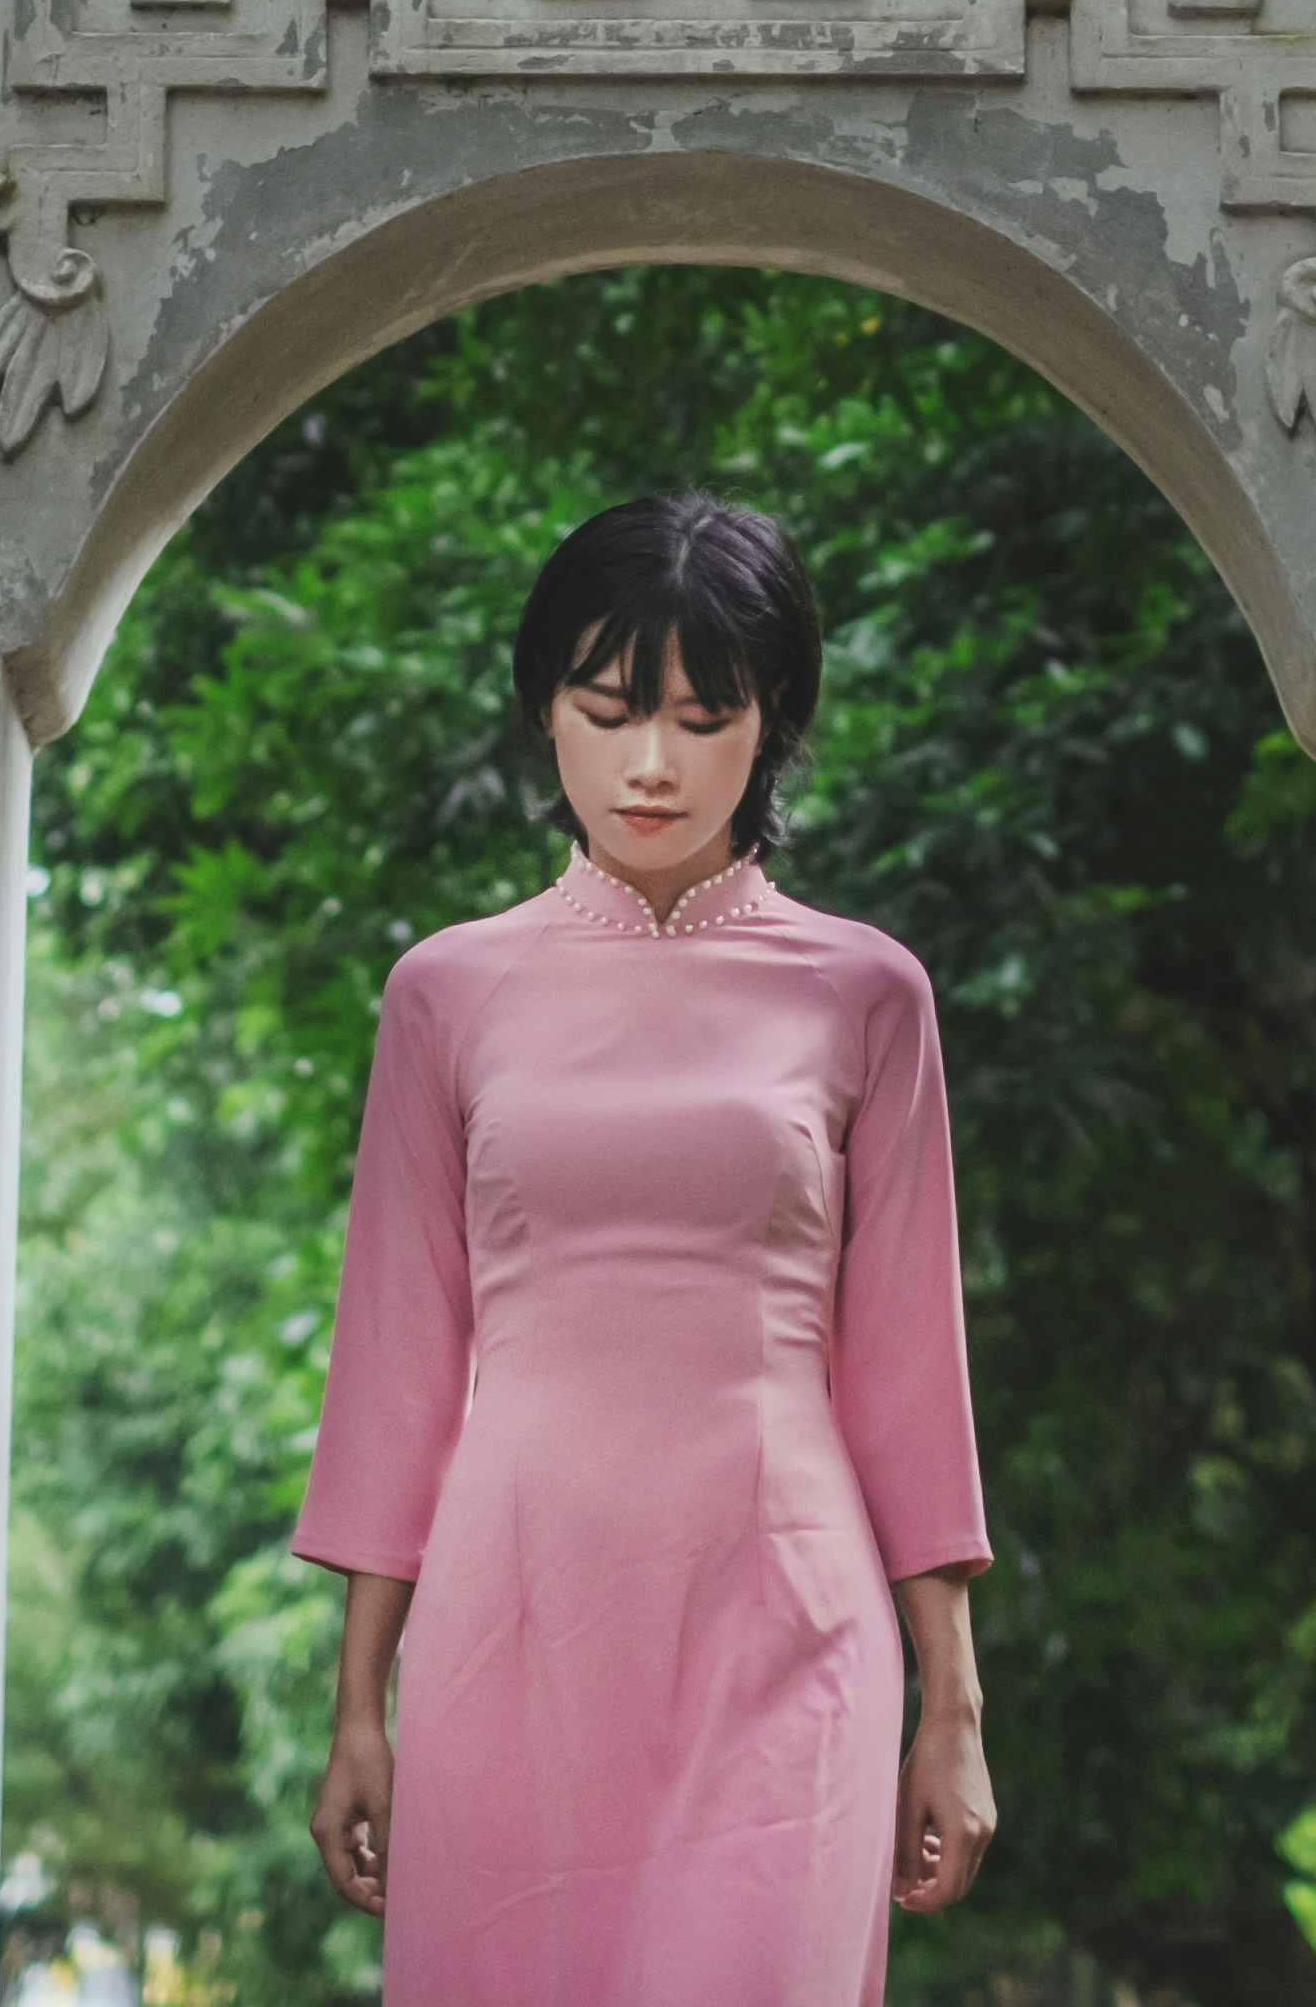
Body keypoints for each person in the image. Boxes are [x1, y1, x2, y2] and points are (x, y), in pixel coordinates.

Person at [294, 490, 1000, 2005]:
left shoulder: (867, 996)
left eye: (703, 713)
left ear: (778, 721)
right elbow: (395, 1375)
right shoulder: (445, 994)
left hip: (789, 1628)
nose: (654, 763)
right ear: (543, 713)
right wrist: (358, 1702)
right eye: (609, 709)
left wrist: (954, 1707)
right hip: (515, 1627)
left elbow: (905, 1381)